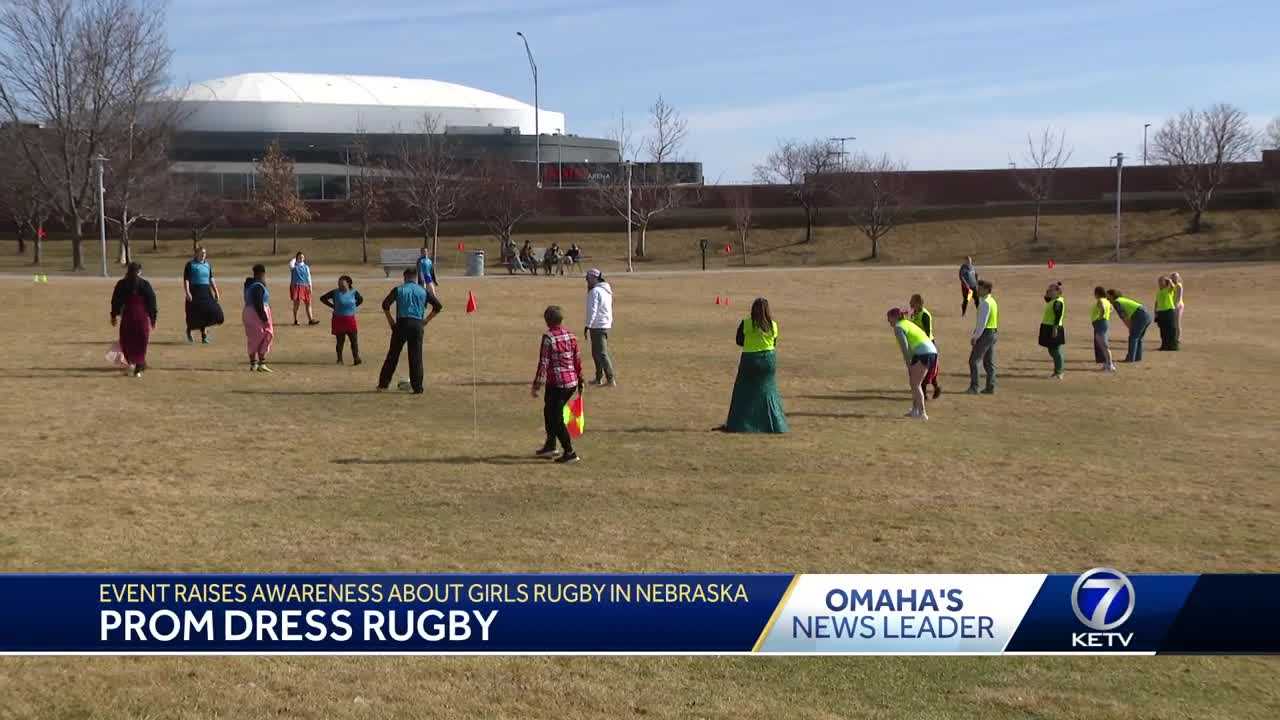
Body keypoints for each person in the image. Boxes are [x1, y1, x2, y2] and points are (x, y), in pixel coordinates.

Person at [723, 298, 789, 433]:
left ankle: (740, 424)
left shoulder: (746, 323)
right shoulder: (773, 325)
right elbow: (774, 343)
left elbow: (739, 341)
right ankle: (775, 425)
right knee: (769, 391)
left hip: (750, 360)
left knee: (743, 392)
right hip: (768, 361)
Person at [531, 305, 584, 464]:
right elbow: (577, 359)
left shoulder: (548, 338)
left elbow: (543, 363)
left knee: (556, 417)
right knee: (548, 410)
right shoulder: (571, 336)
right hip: (570, 383)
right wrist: (580, 379)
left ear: (547, 321)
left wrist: (536, 385)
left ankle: (569, 452)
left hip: (558, 384)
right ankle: (550, 445)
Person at [377, 268, 443, 394]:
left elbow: (385, 304)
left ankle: (383, 385)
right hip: (417, 324)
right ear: (416, 278)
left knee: (393, 355)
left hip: (402, 324)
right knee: (416, 357)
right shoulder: (423, 291)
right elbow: (438, 306)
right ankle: (417, 388)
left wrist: (391, 321)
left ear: (405, 277)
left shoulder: (399, 289)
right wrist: (426, 321)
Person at [888, 308, 938, 421]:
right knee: (914, 383)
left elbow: (905, 348)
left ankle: (922, 413)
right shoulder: (906, 323)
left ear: (895, 317)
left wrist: (908, 364)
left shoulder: (898, 327)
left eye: (889, 318)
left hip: (924, 353)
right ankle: (915, 410)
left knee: (915, 384)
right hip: (927, 352)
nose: (888, 321)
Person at [110, 262, 158, 378]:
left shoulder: (122, 284)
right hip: (141, 316)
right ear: (139, 272)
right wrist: (153, 318)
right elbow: (152, 301)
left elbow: (115, 301)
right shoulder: (144, 284)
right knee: (141, 341)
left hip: (128, 316)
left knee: (127, 340)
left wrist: (113, 315)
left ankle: (131, 364)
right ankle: (138, 368)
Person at [182, 246, 223, 344]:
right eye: (201, 253)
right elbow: (186, 280)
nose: (203, 255)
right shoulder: (190, 265)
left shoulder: (207, 265)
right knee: (194, 314)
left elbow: (211, 278)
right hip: (194, 291)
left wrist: (216, 291)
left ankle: (204, 335)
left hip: (206, 291)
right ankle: (191, 331)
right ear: (196, 254)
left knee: (214, 313)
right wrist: (187, 292)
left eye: (204, 253)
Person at [320, 275, 364, 365]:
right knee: (340, 341)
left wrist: (354, 306)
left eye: (342, 284)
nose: (340, 286)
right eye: (339, 284)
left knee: (354, 340)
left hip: (350, 320)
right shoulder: (335, 292)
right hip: (338, 319)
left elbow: (360, 299)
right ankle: (339, 359)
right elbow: (323, 298)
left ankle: (356, 358)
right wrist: (332, 306)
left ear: (348, 283)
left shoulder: (354, 292)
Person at [584, 268, 616, 387]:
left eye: (588, 279)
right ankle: (598, 378)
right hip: (604, 324)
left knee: (601, 353)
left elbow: (593, 310)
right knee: (596, 353)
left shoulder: (595, 291)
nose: (587, 281)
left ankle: (610, 379)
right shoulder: (606, 290)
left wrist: (588, 325)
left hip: (597, 325)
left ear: (594, 278)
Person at [966, 280, 998, 394]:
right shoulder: (992, 301)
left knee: (973, 361)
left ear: (986, 290)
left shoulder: (985, 303)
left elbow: (982, 323)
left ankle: (974, 387)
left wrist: (975, 337)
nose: (978, 291)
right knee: (989, 362)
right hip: (993, 332)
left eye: (980, 289)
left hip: (985, 333)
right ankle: (990, 386)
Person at [242, 264, 275, 372]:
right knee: (259, 336)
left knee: (261, 336)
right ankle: (256, 363)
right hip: (255, 313)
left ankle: (259, 363)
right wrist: (264, 318)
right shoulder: (257, 286)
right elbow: (258, 303)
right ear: (261, 274)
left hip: (251, 312)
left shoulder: (251, 285)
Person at [908, 294, 941, 399]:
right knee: (921, 370)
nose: (910, 303)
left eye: (912, 301)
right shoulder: (914, 312)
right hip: (918, 344)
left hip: (927, 344)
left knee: (926, 370)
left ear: (918, 303)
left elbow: (927, 333)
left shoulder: (925, 315)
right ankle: (933, 389)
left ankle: (926, 393)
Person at [1106, 289, 1151, 363]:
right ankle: (1137, 357)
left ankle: (1130, 358)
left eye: (1108, 296)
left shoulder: (1117, 302)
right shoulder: (1121, 299)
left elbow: (1124, 317)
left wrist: (1130, 327)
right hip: (1146, 315)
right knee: (1138, 338)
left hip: (1140, 315)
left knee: (1133, 337)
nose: (1107, 299)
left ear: (1112, 296)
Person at [1039, 281, 1067, 380]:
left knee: (1056, 351)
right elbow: (1046, 298)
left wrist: (1055, 329)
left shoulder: (1058, 302)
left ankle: (1059, 372)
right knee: (1052, 350)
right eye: (1049, 290)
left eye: (1051, 290)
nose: (1049, 292)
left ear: (1057, 292)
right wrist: (1049, 291)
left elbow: (1058, 316)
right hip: (1048, 327)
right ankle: (1057, 371)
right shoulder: (1053, 300)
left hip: (1054, 327)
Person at [1091, 286, 1117, 373]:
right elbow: (1111, 309)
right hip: (1103, 323)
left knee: (1104, 345)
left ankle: (1110, 365)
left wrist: (1101, 317)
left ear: (1097, 293)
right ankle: (1107, 363)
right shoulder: (1107, 301)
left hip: (1100, 323)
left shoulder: (1100, 300)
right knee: (1102, 345)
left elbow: (1102, 308)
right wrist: (1106, 315)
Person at [288, 251, 318, 326]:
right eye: (300, 257)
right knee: (296, 304)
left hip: (305, 286)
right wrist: (295, 258)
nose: (301, 258)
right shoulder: (293, 267)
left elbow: (309, 277)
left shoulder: (306, 267)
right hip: (297, 286)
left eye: (302, 257)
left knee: (308, 303)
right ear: (297, 258)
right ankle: (295, 320)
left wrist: (310, 287)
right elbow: (291, 263)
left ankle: (311, 320)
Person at [1154, 275, 1179, 351]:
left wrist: (1169, 280)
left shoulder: (1168, 289)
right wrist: (1155, 312)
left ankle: (1173, 346)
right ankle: (1164, 346)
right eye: (1159, 281)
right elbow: (1156, 302)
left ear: (1165, 282)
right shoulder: (1159, 292)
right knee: (1163, 330)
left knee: (1171, 329)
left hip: (1169, 311)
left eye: (1161, 281)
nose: (1160, 283)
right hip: (1161, 312)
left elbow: (1173, 287)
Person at [1171, 271, 1185, 346]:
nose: (1174, 278)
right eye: (1173, 277)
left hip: (1178, 305)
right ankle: (1173, 337)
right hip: (1173, 305)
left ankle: (1177, 338)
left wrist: (1176, 306)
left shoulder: (1179, 285)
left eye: (1175, 277)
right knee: (1173, 323)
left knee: (1177, 323)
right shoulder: (1171, 285)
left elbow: (1178, 298)